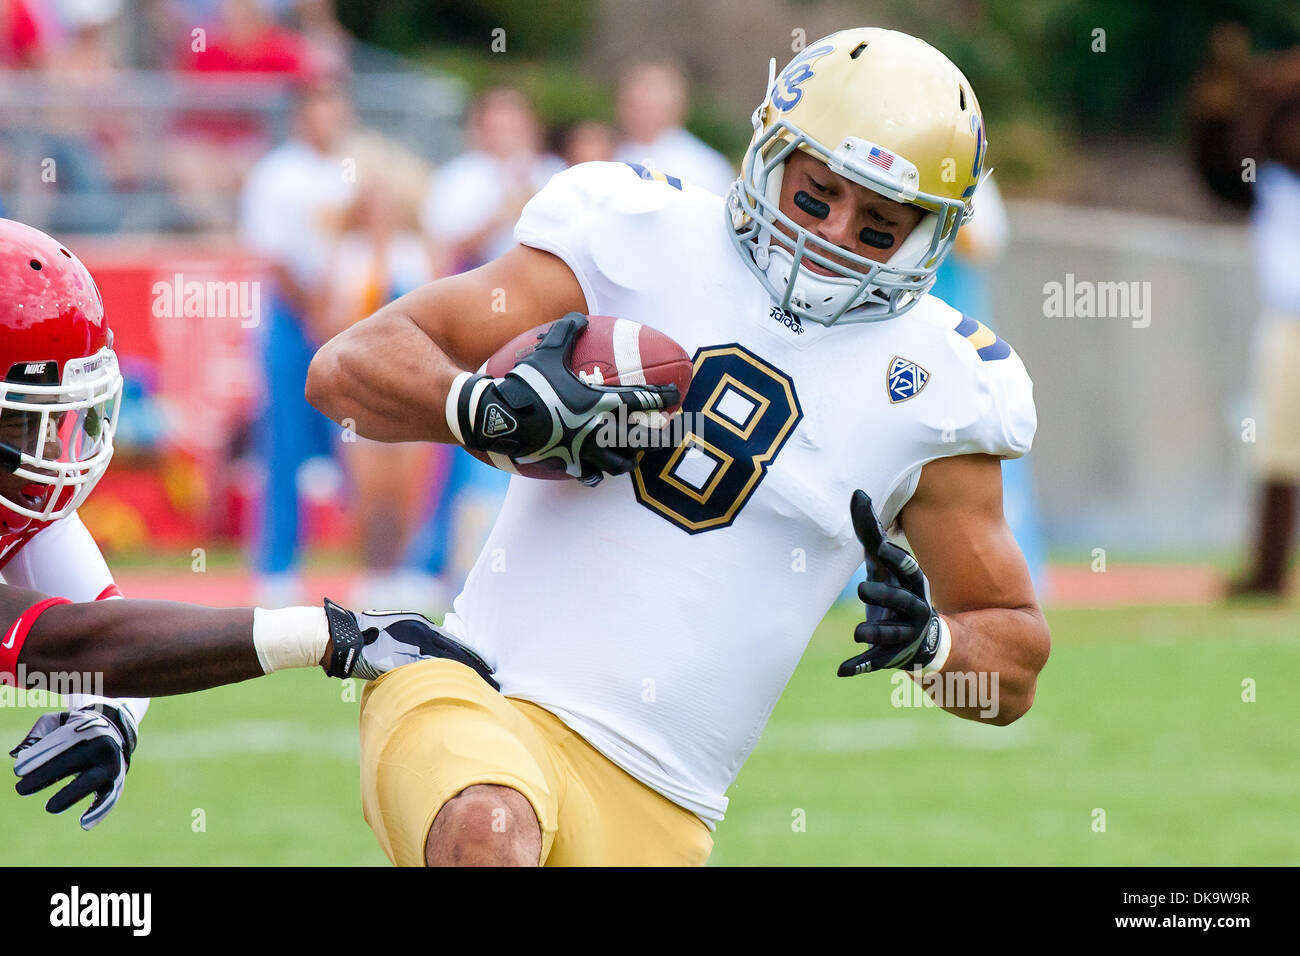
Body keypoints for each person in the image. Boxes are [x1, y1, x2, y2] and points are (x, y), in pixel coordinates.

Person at [308, 27, 1051, 867]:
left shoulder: (941, 384)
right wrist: (481, 408)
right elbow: (348, 368)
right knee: (488, 829)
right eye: (816, 197)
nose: (834, 235)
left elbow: (1013, 660)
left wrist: (934, 645)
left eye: (878, 226)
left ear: (930, 236)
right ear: (771, 156)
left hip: (661, 803)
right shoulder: (635, 235)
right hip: (478, 687)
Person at [0, 218, 470, 830]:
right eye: (19, 424)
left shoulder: (28, 510)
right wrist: (331, 635)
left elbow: (104, 626)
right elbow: (74, 643)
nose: (46, 451)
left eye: (51, 421)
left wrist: (107, 713)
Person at [239, 80, 354, 607]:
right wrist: (313, 313)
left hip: (350, 316)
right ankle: (278, 564)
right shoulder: (277, 175)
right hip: (294, 317)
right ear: (300, 117)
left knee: (360, 440)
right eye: (319, 111)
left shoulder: (351, 172)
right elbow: (276, 255)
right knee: (283, 439)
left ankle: (378, 562)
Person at [614, 60, 734, 195]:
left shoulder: (704, 166)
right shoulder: (610, 153)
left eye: (650, 107)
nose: (640, 115)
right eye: (634, 105)